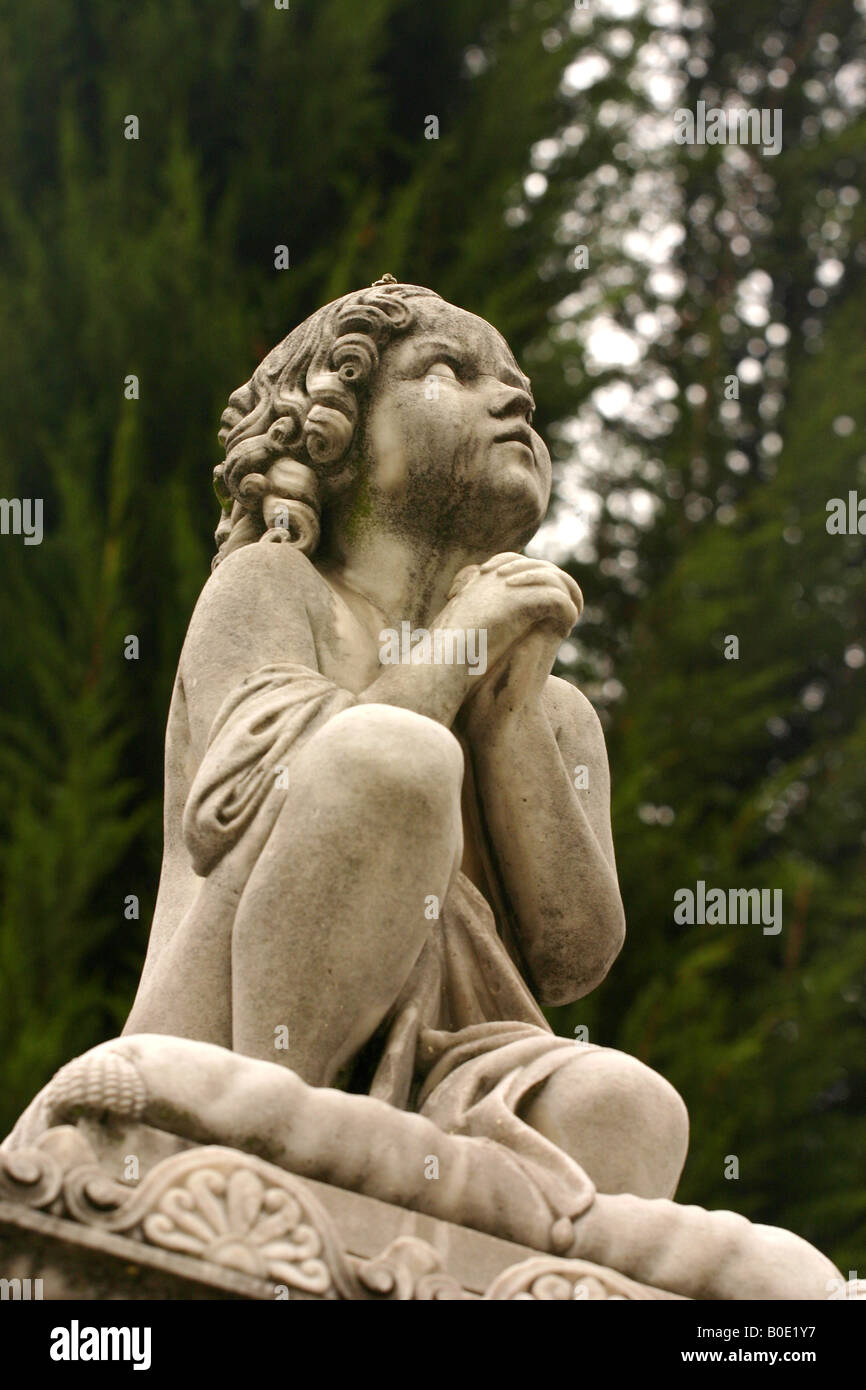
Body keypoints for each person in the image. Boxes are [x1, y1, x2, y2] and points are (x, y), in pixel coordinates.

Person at [124, 278, 688, 1208]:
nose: (512, 400)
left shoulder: (551, 704)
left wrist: (508, 720)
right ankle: (274, 1144)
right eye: (451, 371)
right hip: (233, 1027)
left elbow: (571, 956)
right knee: (394, 755)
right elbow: (238, 804)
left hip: (454, 1056)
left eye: (521, 391)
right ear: (333, 435)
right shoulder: (273, 588)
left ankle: (420, 1192)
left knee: (633, 1107)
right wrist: (459, 647)